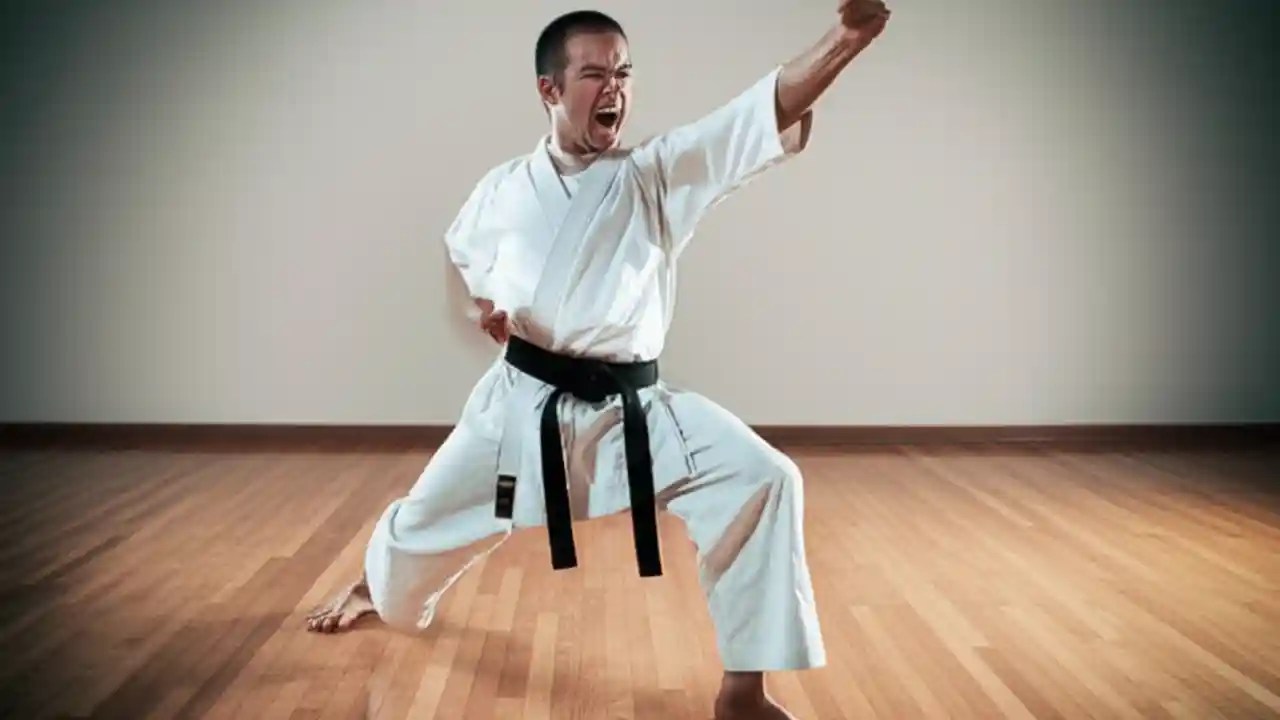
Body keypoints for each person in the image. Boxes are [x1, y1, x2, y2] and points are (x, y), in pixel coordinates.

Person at [307, 2, 890, 717]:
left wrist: (845, 41)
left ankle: (743, 691)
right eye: (593, 74)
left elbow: (761, 112)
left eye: (623, 73)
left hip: (632, 411)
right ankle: (375, 587)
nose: (614, 87)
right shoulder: (502, 190)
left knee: (765, 478)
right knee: (410, 561)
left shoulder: (655, 174)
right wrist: (479, 310)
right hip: (520, 408)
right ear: (549, 90)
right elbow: (463, 265)